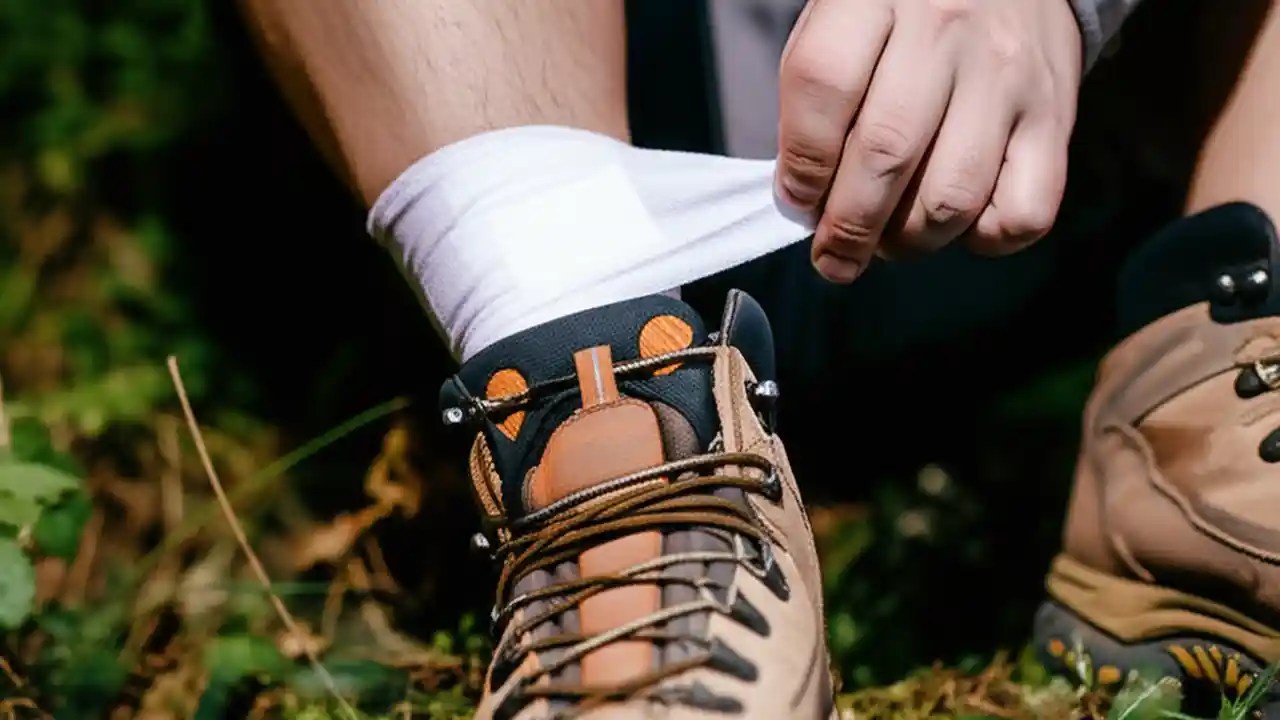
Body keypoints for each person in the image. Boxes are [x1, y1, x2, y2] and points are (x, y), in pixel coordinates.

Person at [237, 0, 1280, 717]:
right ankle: (622, 458)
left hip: (1063, 163)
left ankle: (1223, 422)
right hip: (525, 140)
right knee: (577, 318)